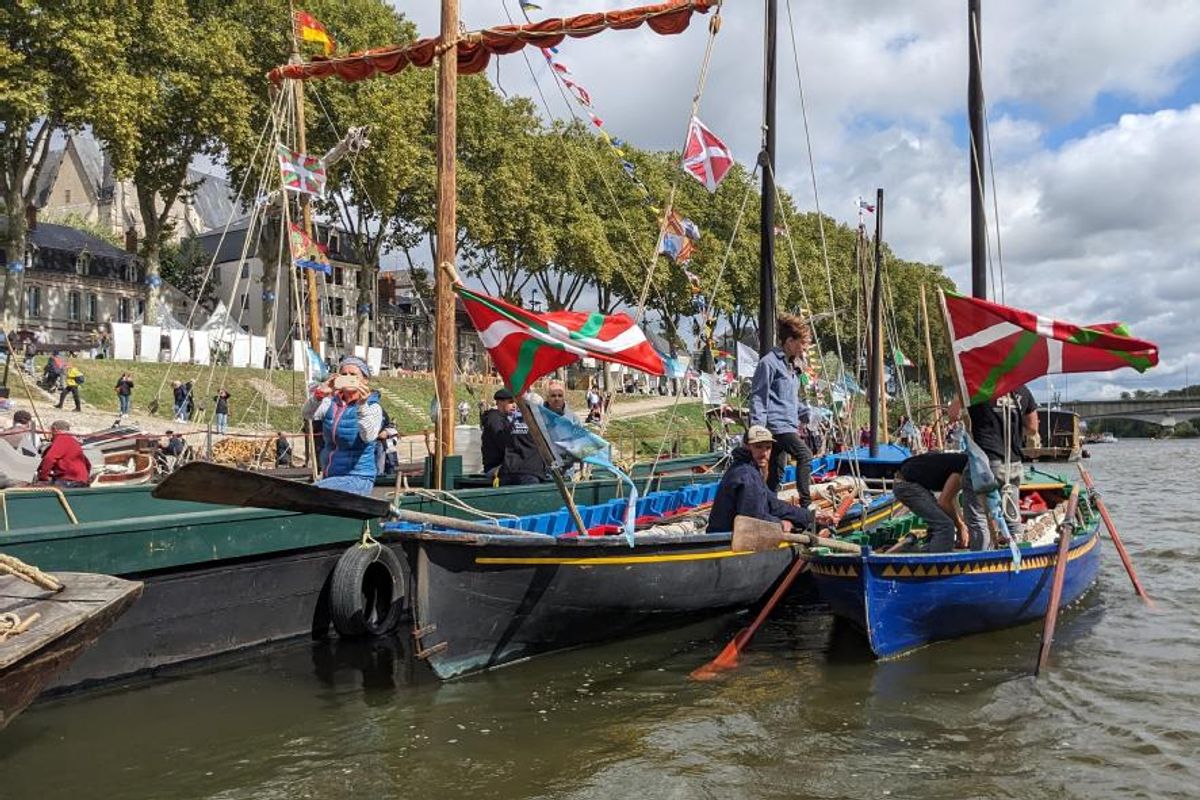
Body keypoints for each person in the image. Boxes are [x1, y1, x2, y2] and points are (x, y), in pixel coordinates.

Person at [952, 386, 1038, 546]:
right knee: (1011, 516)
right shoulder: (1022, 390)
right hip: (1013, 463)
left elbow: (953, 414)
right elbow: (1033, 428)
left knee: (978, 516)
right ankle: (1016, 557)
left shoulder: (977, 386)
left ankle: (981, 559)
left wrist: (960, 393)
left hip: (985, 461)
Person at [707, 426, 832, 534]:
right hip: (726, 539)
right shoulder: (746, 475)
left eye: (768, 448)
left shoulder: (751, 469)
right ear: (746, 447)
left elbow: (773, 504)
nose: (764, 453)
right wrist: (780, 523)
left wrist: (810, 516)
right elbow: (752, 518)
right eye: (758, 447)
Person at [748, 313, 813, 502]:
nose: (804, 348)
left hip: (789, 424)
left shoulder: (792, 367)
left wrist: (806, 413)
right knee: (805, 455)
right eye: (802, 343)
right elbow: (759, 396)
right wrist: (758, 430)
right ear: (790, 341)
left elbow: (788, 399)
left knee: (775, 474)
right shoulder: (769, 363)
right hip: (777, 426)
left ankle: (767, 506)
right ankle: (806, 503)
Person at [301, 355, 382, 495]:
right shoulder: (330, 403)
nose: (348, 377)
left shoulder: (373, 407)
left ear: (365, 380)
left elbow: (369, 436)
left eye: (353, 375)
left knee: (310, 494)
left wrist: (362, 406)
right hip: (332, 477)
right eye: (344, 374)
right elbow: (307, 414)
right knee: (311, 493)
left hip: (357, 478)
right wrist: (319, 395)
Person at [892, 451, 970, 552]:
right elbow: (944, 502)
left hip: (911, 482)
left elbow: (951, 499)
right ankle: (936, 562)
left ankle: (926, 549)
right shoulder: (963, 468)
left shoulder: (961, 463)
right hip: (907, 485)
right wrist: (960, 527)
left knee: (942, 520)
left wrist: (961, 523)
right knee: (945, 526)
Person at [499, 395, 548, 486]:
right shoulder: (542, 424)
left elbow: (503, 442)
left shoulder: (511, 421)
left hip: (509, 471)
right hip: (531, 472)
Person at [36, 420, 91, 487]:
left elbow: (49, 458)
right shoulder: (74, 442)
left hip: (69, 480)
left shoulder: (61, 439)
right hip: (81, 480)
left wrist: (43, 478)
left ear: (54, 429)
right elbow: (87, 464)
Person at [480, 388, 516, 480]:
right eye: (511, 402)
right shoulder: (495, 419)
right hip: (496, 468)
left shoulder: (503, 419)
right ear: (500, 402)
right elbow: (503, 442)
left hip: (503, 466)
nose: (514, 405)